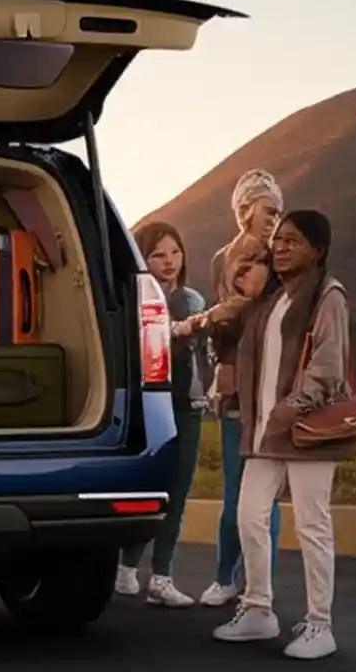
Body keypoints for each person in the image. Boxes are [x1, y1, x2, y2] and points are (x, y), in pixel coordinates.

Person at [212, 210, 356, 660]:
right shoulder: (271, 301)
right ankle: (258, 610)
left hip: (306, 428)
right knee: (249, 516)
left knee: (313, 526)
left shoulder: (328, 296)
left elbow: (329, 367)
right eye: (278, 240)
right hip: (266, 431)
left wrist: (290, 408)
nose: (280, 247)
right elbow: (243, 349)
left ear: (318, 250)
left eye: (293, 241)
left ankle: (320, 625)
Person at [114, 221, 216, 607]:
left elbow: (207, 356)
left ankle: (161, 577)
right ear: (144, 257)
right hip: (149, 404)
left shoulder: (193, 300)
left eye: (175, 252)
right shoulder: (134, 301)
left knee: (178, 492)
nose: (169, 261)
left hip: (188, 405)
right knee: (146, 491)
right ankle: (127, 569)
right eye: (158, 253)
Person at [199, 169, 286, 608]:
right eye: (269, 209)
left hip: (269, 387)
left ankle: (259, 587)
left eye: (279, 211)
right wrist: (219, 369)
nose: (274, 218)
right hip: (233, 389)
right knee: (235, 491)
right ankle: (224, 577)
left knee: (264, 495)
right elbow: (220, 327)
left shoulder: (283, 261)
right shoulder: (221, 260)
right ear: (246, 208)